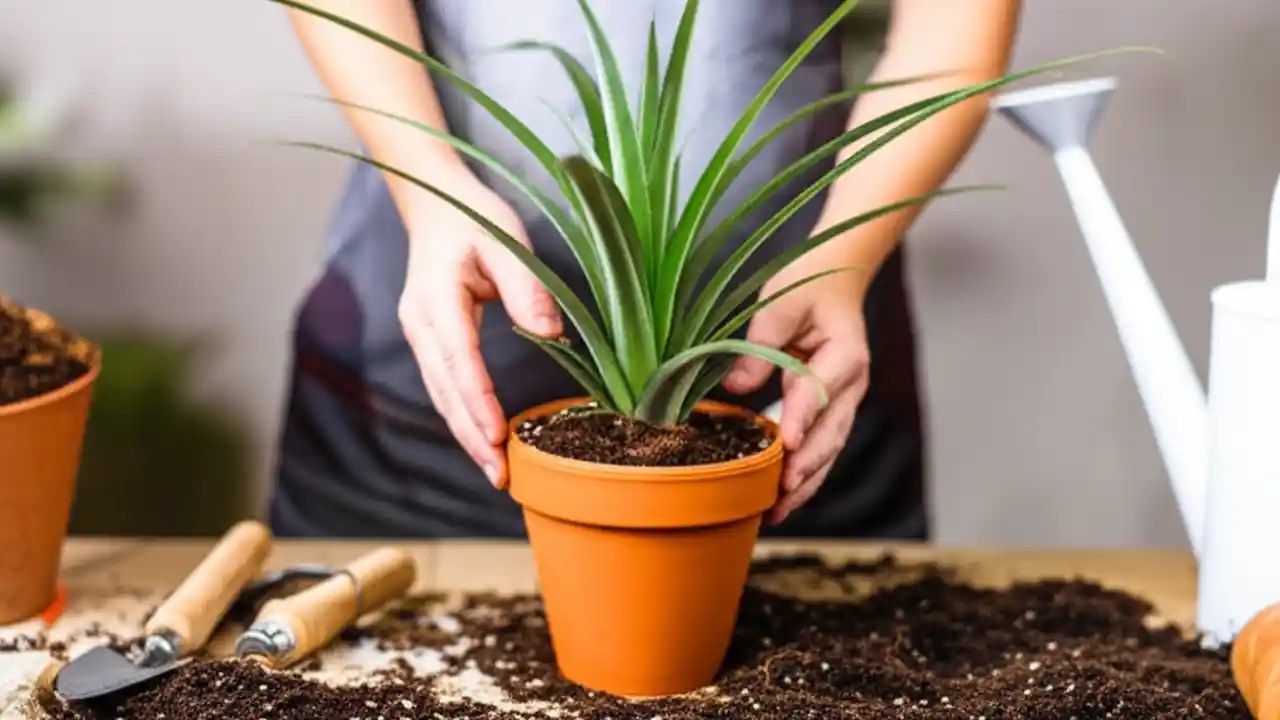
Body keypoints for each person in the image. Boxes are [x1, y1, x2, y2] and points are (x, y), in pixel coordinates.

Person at [271, 0, 1020, 538]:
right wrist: (425, 184)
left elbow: (952, 25)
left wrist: (843, 262)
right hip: (421, 417)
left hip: (788, 392)